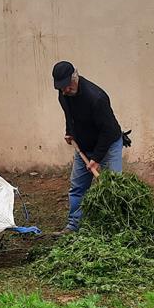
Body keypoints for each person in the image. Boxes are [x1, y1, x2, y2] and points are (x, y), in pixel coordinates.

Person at [52, 61, 124, 233]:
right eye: (60, 87)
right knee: (77, 187)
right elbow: (70, 116)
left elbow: (107, 131)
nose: (64, 91)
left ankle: (114, 228)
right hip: (84, 146)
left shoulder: (96, 97)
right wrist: (70, 131)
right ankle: (73, 225)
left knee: (112, 188)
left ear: (74, 77)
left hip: (108, 145)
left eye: (67, 86)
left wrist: (96, 158)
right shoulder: (64, 94)